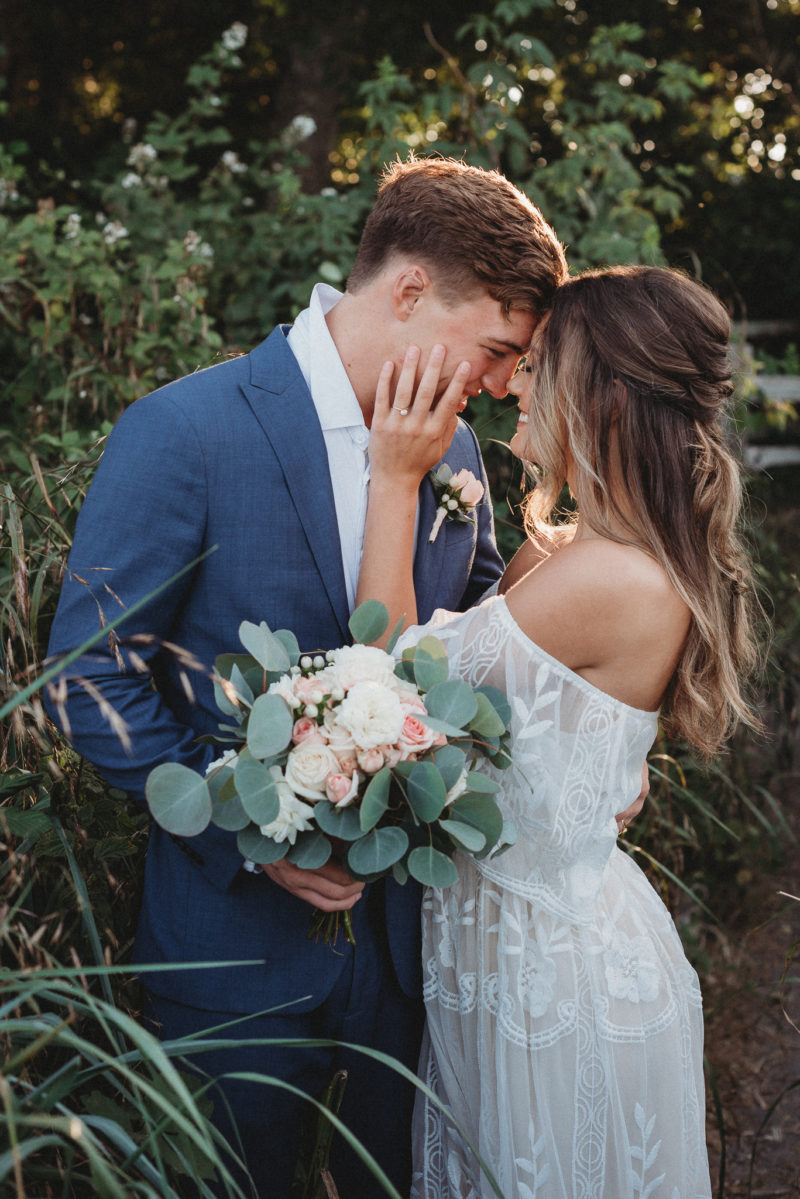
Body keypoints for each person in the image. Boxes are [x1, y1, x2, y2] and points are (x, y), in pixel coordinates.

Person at [43, 155, 585, 1197]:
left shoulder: (458, 453)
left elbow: (473, 657)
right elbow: (85, 678)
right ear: (410, 291)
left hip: (410, 958)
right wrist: (250, 832)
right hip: (226, 955)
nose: (502, 383)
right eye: (497, 350)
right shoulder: (185, 430)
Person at [356, 264, 760, 1197]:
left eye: (540, 365)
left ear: (604, 396)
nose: (515, 385)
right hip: (492, 954)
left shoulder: (612, 579)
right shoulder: (563, 551)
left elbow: (394, 678)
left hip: (555, 974)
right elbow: (533, 727)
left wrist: (393, 478)